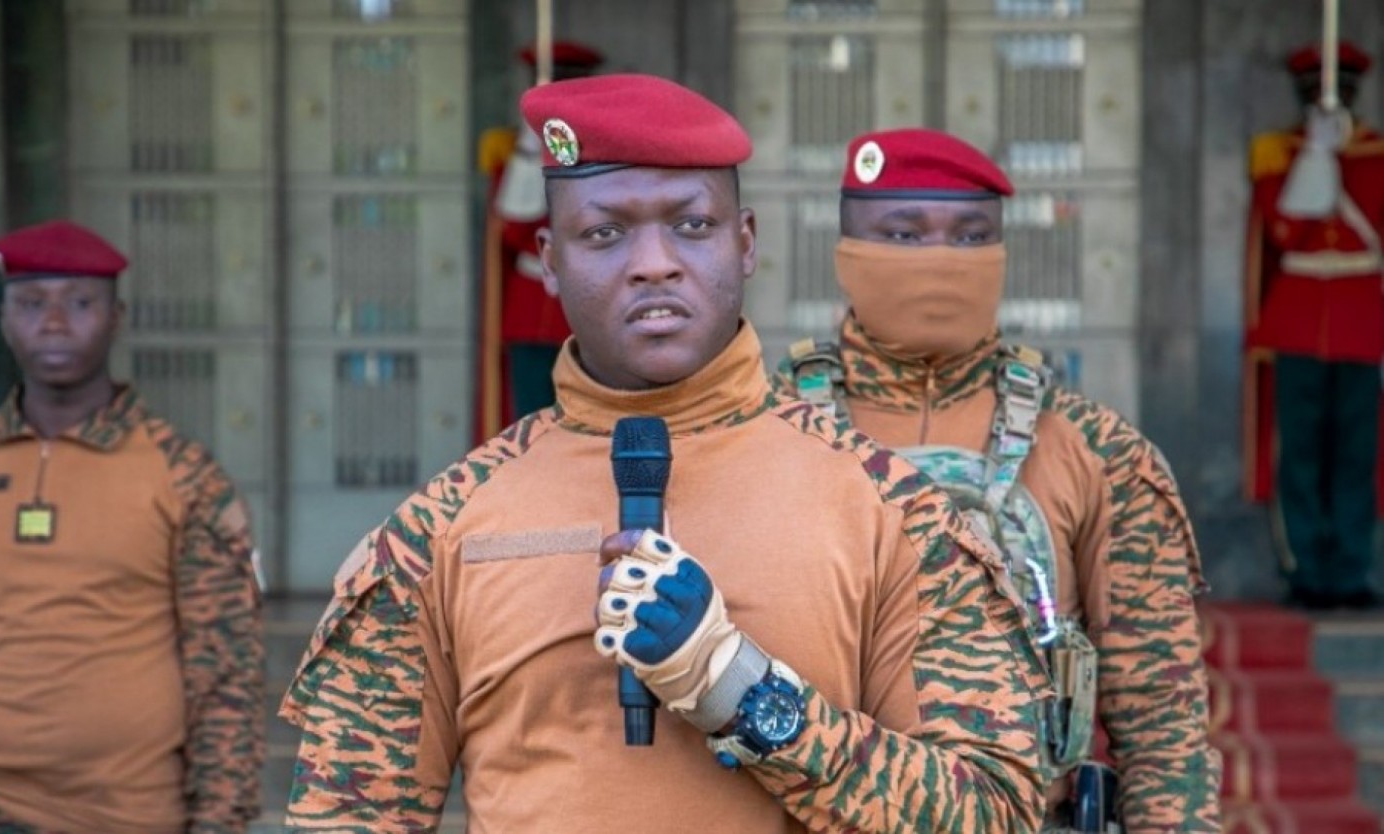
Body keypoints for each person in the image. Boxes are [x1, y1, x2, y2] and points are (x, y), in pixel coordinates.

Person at [281, 74, 1051, 832]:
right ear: (549, 259)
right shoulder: (444, 526)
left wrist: (742, 693)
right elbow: (347, 816)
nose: (653, 263)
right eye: (605, 233)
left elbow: (994, 812)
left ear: (744, 242)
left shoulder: (889, 509)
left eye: (691, 225)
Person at [772, 128, 1221, 831]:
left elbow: (1163, 724)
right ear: (846, 251)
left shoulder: (1096, 449)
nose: (940, 260)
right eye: (904, 235)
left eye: (970, 236)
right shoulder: (768, 430)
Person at [0, 220, 265, 834]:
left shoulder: (183, 475)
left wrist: (219, 822)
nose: (55, 323)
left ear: (116, 318)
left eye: (81, 303)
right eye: (32, 303)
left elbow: (225, 674)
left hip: (129, 813)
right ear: (5, 319)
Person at [1242, 41, 1384, 610]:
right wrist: (1315, 159)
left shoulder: (1377, 154)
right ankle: (1303, 570)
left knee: (1356, 456)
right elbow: (1283, 230)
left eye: (1339, 91)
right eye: (1317, 93)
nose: (1328, 102)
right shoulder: (1277, 153)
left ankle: (1350, 571)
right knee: (1299, 456)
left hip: (1362, 321)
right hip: (1297, 323)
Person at [475, 41, 604, 442]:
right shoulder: (515, 153)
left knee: (585, 425)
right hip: (530, 312)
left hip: (584, 310)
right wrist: (532, 151)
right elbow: (513, 228)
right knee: (532, 426)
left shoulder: (603, 154)